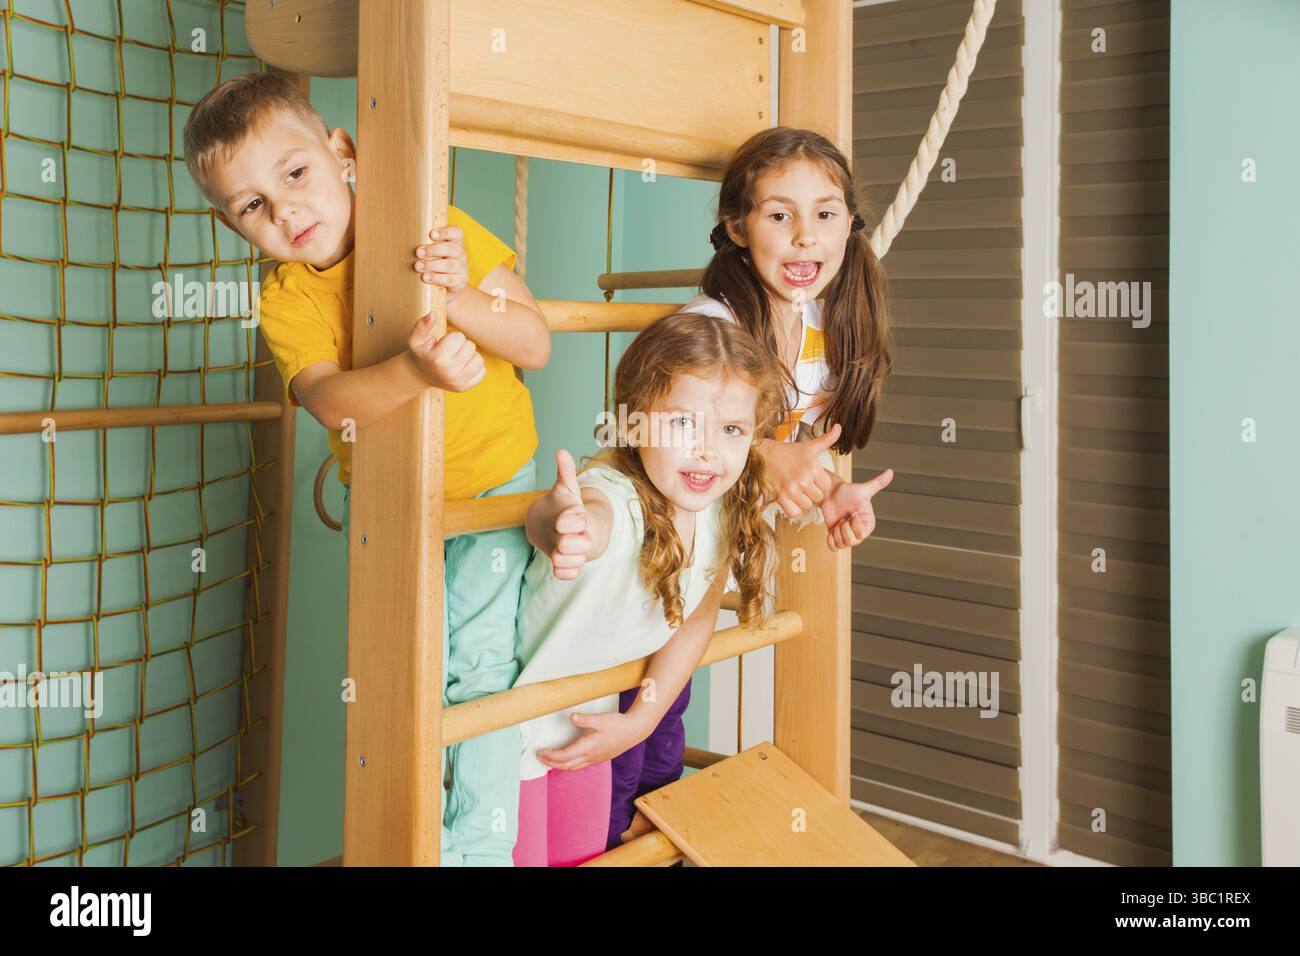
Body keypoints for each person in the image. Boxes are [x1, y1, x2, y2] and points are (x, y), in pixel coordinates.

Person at [182, 71, 551, 866]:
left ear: (341, 153)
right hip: (389, 502)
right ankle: (409, 838)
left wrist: (459, 298)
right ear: (231, 223)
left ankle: (478, 851)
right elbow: (326, 401)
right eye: (251, 206)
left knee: (478, 668)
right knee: (397, 676)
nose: (284, 211)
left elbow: (535, 342)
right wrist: (416, 375)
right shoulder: (287, 299)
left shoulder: (434, 228)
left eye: (294, 174)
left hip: (490, 487)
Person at [512, 313, 783, 865]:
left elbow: (696, 620)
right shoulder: (612, 496)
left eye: (730, 430)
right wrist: (563, 527)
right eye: (684, 424)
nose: (708, 451)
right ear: (633, 427)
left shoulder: (715, 510)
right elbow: (573, 515)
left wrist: (639, 721)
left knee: (583, 855)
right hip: (512, 731)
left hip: (584, 727)